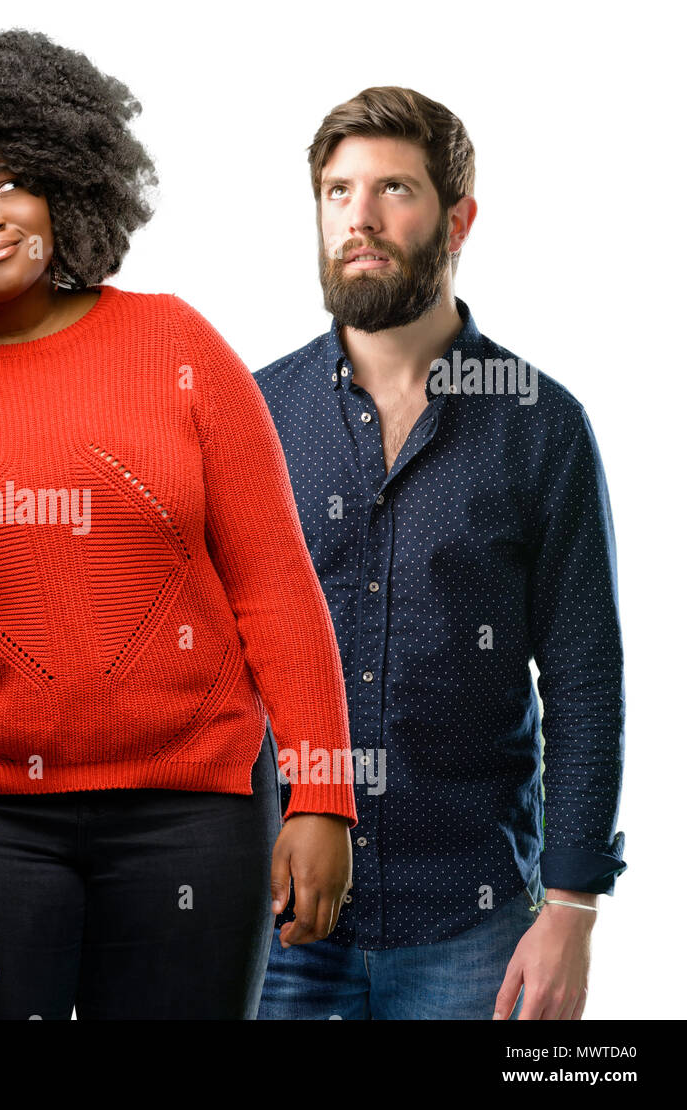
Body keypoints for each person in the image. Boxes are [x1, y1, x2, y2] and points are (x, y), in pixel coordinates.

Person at [0, 29, 358, 1021]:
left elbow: (274, 587)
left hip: (196, 821)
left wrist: (321, 794)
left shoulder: (177, 344)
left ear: (64, 178)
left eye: (9, 181)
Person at [253, 87, 626, 1021]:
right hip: (276, 923)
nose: (360, 220)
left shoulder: (542, 427)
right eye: (337, 193)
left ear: (459, 217)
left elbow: (584, 678)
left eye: (393, 190)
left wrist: (572, 909)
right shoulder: (253, 417)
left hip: (476, 929)